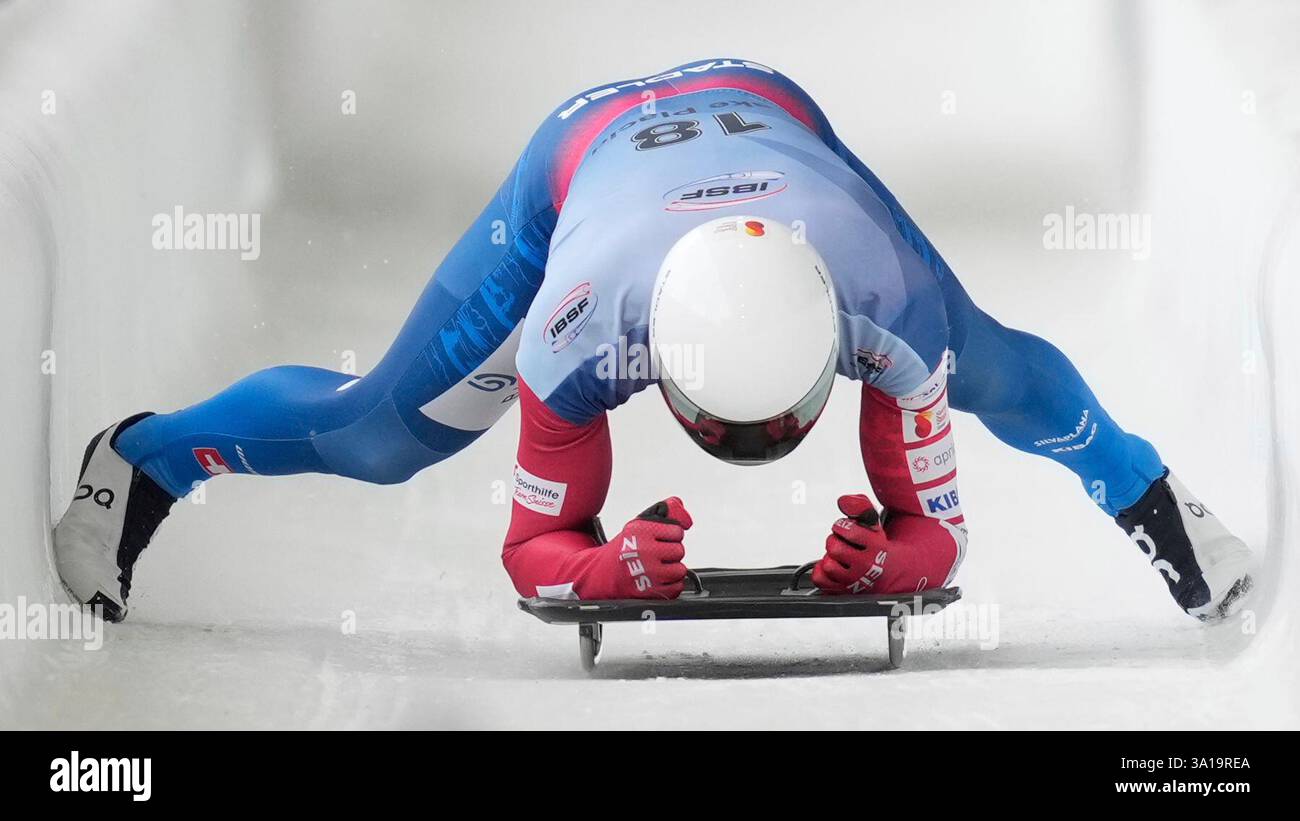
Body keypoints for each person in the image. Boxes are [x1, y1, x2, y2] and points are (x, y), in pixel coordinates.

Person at [53, 58, 1253, 623]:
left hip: (781, 131)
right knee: (379, 433)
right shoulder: (576, 335)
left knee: (978, 357)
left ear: (832, 348)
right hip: (579, 165)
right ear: (658, 379)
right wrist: (597, 568)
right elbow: (533, 548)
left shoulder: (886, 309)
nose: (755, 443)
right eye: (738, 423)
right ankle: (144, 457)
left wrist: (899, 559)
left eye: (775, 419)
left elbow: (937, 535)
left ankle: (1158, 504)